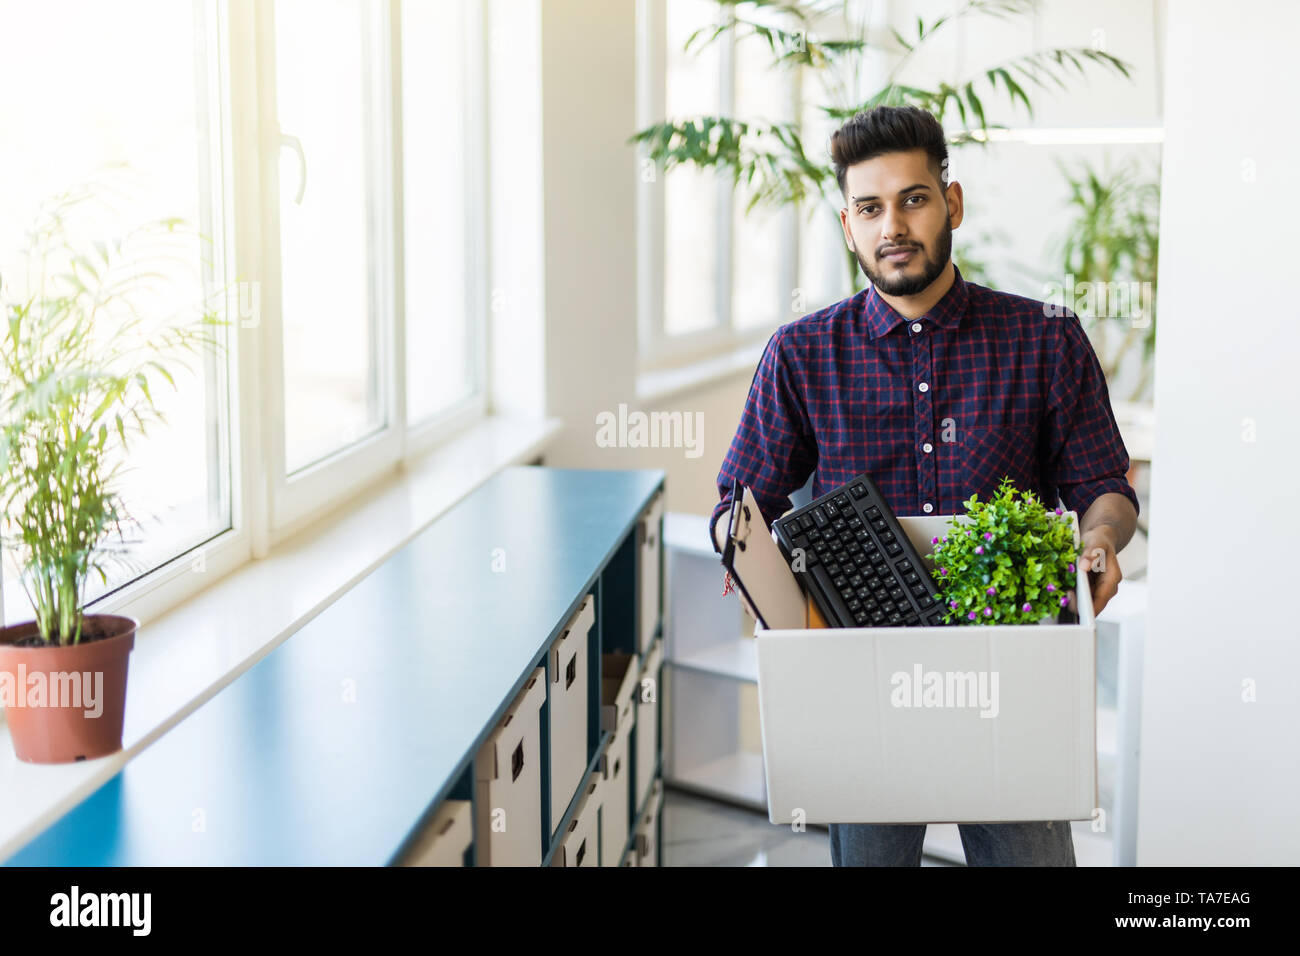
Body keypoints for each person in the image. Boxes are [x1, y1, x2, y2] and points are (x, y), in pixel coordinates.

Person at [709, 104, 1139, 867]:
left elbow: (1103, 484)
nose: (892, 227)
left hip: (1012, 664)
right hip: (863, 666)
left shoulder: (1043, 337)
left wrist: (1099, 541)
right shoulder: (803, 355)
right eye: (870, 208)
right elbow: (742, 504)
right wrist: (750, 573)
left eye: (913, 199)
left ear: (953, 204)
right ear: (848, 225)